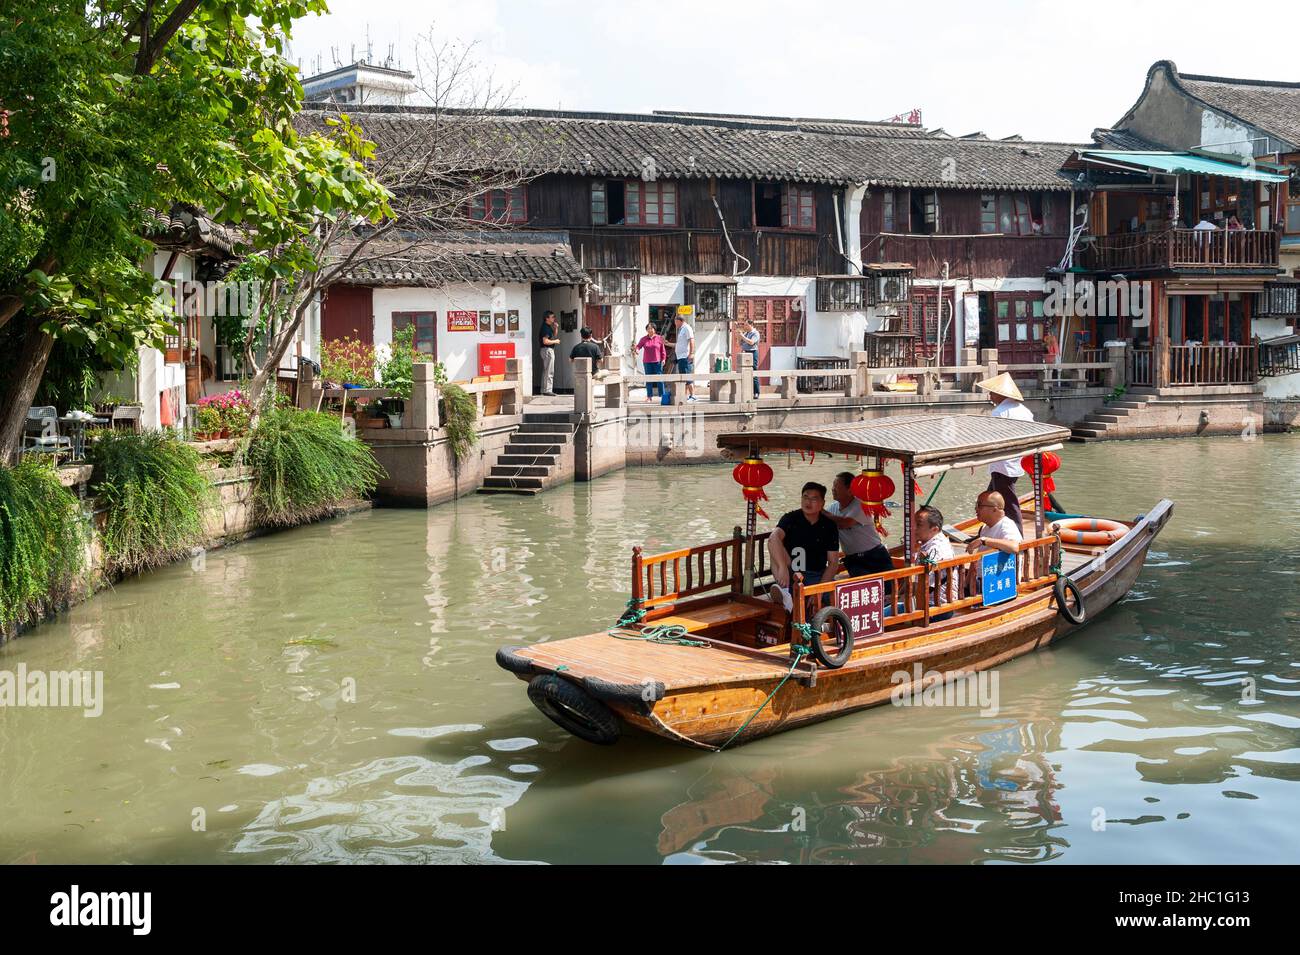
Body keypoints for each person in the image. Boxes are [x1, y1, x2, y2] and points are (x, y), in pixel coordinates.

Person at [766, 482, 842, 611]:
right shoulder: (790, 518)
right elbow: (773, 538)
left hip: (816, 575)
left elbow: (833, 563)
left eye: (814, 498)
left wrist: (819, 590)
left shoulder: (829, 526)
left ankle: (788, 597)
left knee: (836, 598)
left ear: (822, 503)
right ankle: (784, 591)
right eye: (805, 497)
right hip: (791, 572)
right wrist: (783, 567)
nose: (808, 502)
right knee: (775, 544)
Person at [975, 371, 1033, 533]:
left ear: (1000, 394)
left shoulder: (1000, 412)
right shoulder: (1024, 410)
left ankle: (1017, 534)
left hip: (1004, 463)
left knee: (1008, 501)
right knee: (988, 497)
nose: (991, 396)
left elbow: (992, 437)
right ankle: (988, 529)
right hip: (1015, 462)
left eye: (992, 393)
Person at [825, 471, 893, 579]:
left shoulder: (861, 505)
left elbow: (845, 523)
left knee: (886, 590)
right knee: (862, 590)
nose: (833, 489)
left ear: (850, 491)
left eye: (836, 486)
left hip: (874, 556)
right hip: (853, 560)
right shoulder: (832, 508)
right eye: (833, 486)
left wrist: (821, 511)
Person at [914, 505, 955, 621]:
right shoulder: (929, 543)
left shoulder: (935, 549)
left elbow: (921, 587)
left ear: (934, 529)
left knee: (882, 615)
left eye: (919, 525)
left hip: (934, 607)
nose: (914, 528)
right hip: (931, 602)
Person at [965, 490, 1023, 556]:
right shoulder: (985, 527)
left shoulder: (1006, 524)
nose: (976, 509)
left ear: (994, 509)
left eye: (979, 505)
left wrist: (983, 540)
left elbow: (1014, 547)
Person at [634, 322, 667, 401]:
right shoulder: (644, 339)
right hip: (647, 362)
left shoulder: (659, 338)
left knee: (659, 379)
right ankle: (649, 396)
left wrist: (663, 359)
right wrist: (637, 350)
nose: (650, 330)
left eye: (651, 328)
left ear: (654, 330)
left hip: (657, 362)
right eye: (648, 328)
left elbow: (663, 350)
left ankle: (662, 396)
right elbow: (638, 346)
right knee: (648, 379)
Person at [673, 312, 696, 402]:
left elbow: (692, 340)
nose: (675, 324)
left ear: (680, 321)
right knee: (684, 376)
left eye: (676, 322)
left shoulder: (687, 328)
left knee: (687, 376)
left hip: (685, 356)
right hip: (680, 357)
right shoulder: (681, 329)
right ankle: (686, 395)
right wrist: (667, 343)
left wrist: (692, 353)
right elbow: (679, 344)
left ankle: (693, 395)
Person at [538, 310, 560, 396]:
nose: (554, 318)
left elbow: (553, 336)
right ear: (547, 318)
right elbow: (545, 341)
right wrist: (556, 341)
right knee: (549, 371)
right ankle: (547, 390)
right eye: (552, 317)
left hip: (546, 350)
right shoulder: (545, 328)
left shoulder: (548, 326)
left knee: (546, 370)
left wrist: (556, 328)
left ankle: (544, 389)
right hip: (547, 350)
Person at [738, 318, 761, 398]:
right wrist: (740, 336)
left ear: (750, 325)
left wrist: (743, 337)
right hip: (745, 352)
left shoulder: (755, 333)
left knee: (753, 372)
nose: (745, 326)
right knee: (744, 373)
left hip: (752, 353)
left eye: (746, 325)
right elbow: (740, 343)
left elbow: (751, 342)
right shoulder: (746, 333)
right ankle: (747, 392)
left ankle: (756, 392)